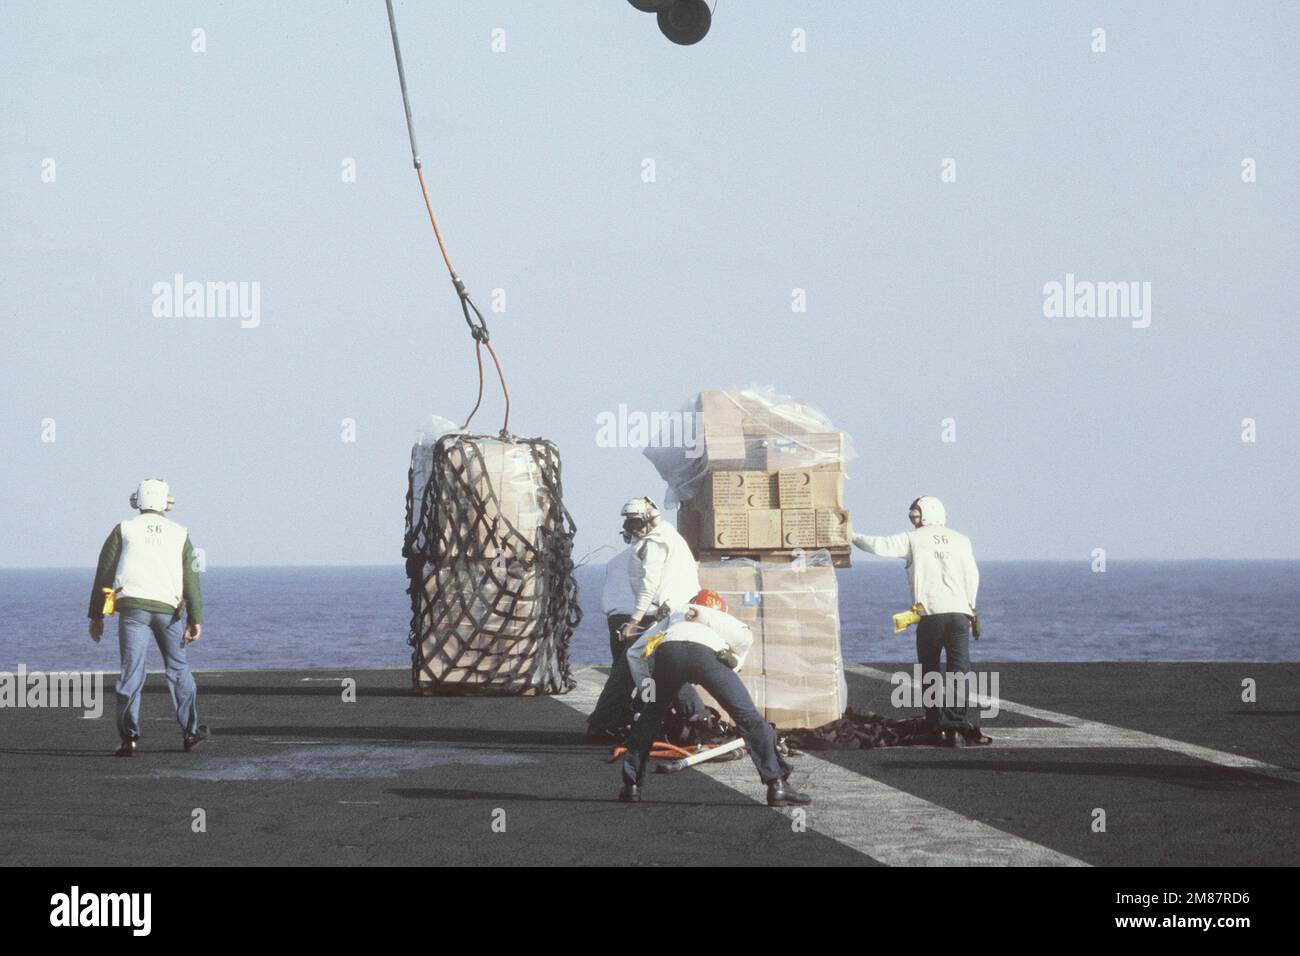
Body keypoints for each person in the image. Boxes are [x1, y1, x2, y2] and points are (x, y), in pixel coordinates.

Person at [619, 589, 811, 807]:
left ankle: (631, 785)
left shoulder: (678, 612)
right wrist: (734, 665)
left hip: (669, 652)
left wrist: (648, 691)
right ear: (720, 607)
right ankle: (776, 785)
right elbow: (745, 638)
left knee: (650, 718)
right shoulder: (721, 616)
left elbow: (634, 653)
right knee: (748, 718)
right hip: (706, 657)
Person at [852, 495, 987, 746]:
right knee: (959, 671)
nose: (913, 520)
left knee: (930, 671)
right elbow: (972, 576)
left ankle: (936, 725)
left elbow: (879, 545)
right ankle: (956, 726)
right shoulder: (962, 540)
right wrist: (971, 609)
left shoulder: (912, 539)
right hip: (960, 614)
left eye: (915, 514)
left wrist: (850, 534)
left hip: (930, 616)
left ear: (925, 515)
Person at [88, 478, 208, 756]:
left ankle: (129, 739)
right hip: (170, 611)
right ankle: (190, 734)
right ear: (166, 503)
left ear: (137, 501)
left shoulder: (124, 528)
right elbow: (191, 578)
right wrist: (195, 618)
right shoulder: (180, 533)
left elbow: (104, 573)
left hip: (132, 610)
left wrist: (96, 616)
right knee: (179, 671)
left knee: (131, 672)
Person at [585, 497, 704, 741]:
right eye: (630, 525)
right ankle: (691, 717)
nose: (634, 529)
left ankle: (613, 721)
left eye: (635, 523)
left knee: (633, 669)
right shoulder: (672, 541)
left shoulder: (652, 546)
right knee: (653, 668)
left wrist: (633, 623)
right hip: (668, 615)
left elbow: (648, 590)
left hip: (651, 618)